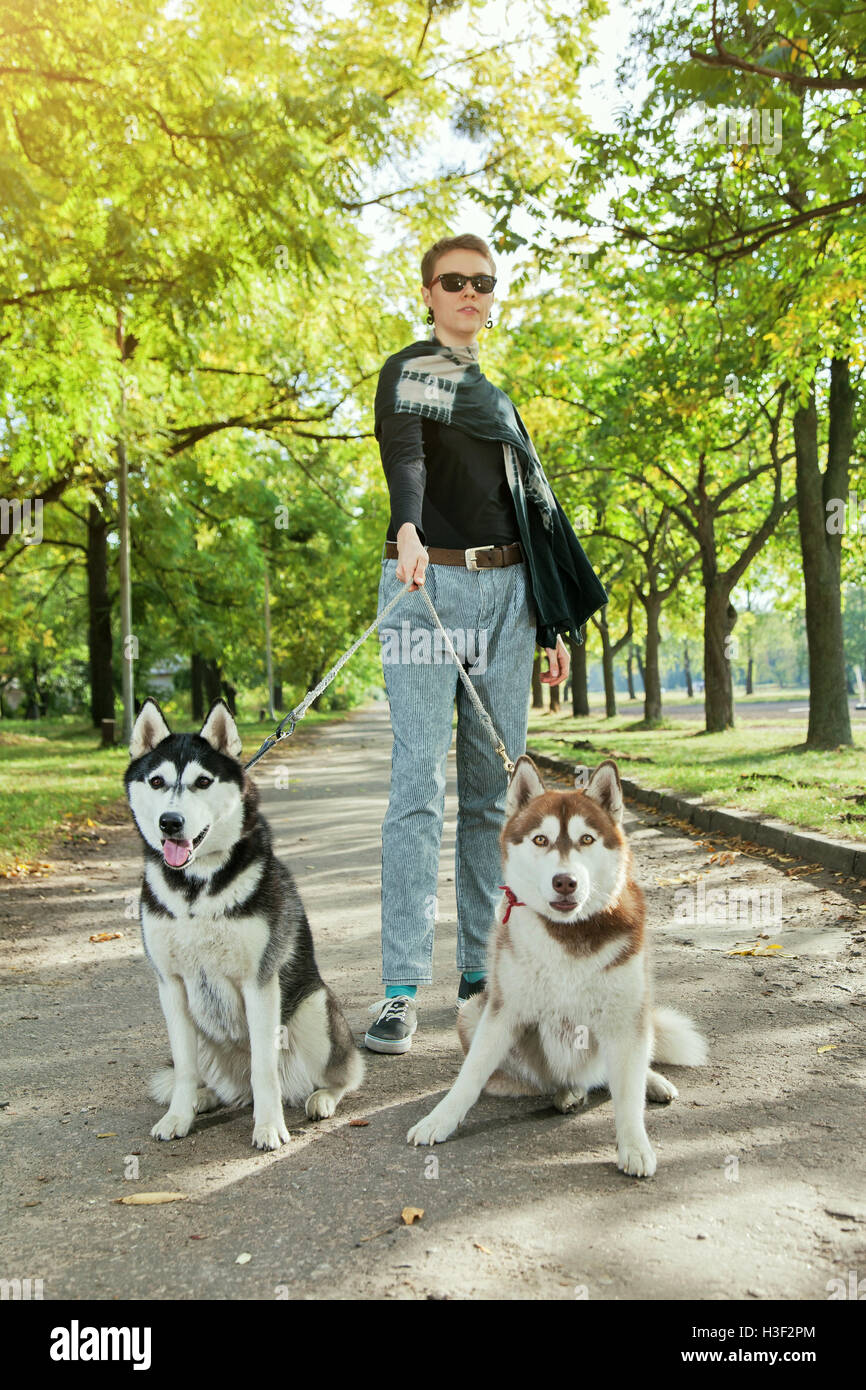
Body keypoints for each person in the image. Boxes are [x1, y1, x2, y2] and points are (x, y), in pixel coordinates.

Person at [365, 233, 607, 1054]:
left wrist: (554, 622)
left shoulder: (498, 401)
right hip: (427, 584)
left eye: (484, 283)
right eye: (454, 281)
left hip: (509, 596)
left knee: (491, 797)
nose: (471, 293)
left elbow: (532, 516)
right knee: (417, 785)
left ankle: (478, 975)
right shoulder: (410, 371)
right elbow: (407, 459)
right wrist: (405, 526)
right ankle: (401, 987)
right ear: (428, 293)